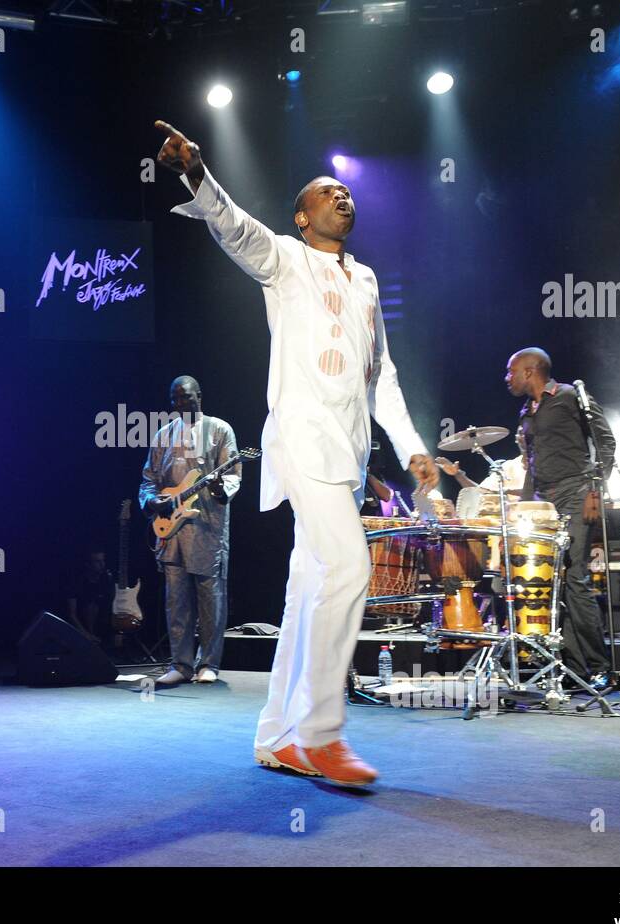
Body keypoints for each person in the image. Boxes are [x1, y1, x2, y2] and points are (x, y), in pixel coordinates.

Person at [155, 120, 437, 787]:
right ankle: (321, 734)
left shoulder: (366, 282)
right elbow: (235, 228)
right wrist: (196, 172)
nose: (342, 196)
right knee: (350, 568)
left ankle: (278, 734)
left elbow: (381, 377)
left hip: (347, 456)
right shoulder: (285, 259)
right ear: (302, 215)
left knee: (309, 589)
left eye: (347, 191)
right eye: (327, 191)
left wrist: (414, 448)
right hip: (303, 441)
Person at [506, 347, 615, 689]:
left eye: (510, 372)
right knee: (553, 583)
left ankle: (601, 668)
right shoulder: (528, 411)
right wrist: (524, 506)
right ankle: (574, 669)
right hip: (544, 498)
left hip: (576, 492)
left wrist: (595, 492)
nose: (506, 379)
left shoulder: (570, 396)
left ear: (529, 371)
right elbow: (533, 466)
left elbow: (605, 442)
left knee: (576, 578)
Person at [139, 375, 240, 685]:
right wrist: (152, 500)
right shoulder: (163, 435)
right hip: (172, 533)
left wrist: (224, 490)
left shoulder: (220, 430)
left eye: (187, 396)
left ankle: (209, 663)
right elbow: (148, 479)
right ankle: (180, 665)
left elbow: (233, 473)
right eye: (176, 398)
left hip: (207, 528)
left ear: (200, 396)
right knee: (177, 600)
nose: (182, 402)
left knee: (211, 598)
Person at [65, 546, 115, 646]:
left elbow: (113, 607)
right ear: (88, 564)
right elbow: (71, 614)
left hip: (103, 629)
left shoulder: (107, 581)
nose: (102, 565)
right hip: (81, 628)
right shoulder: (76, 583)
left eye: (103, 561)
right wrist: (85, 635)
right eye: (97, 562)